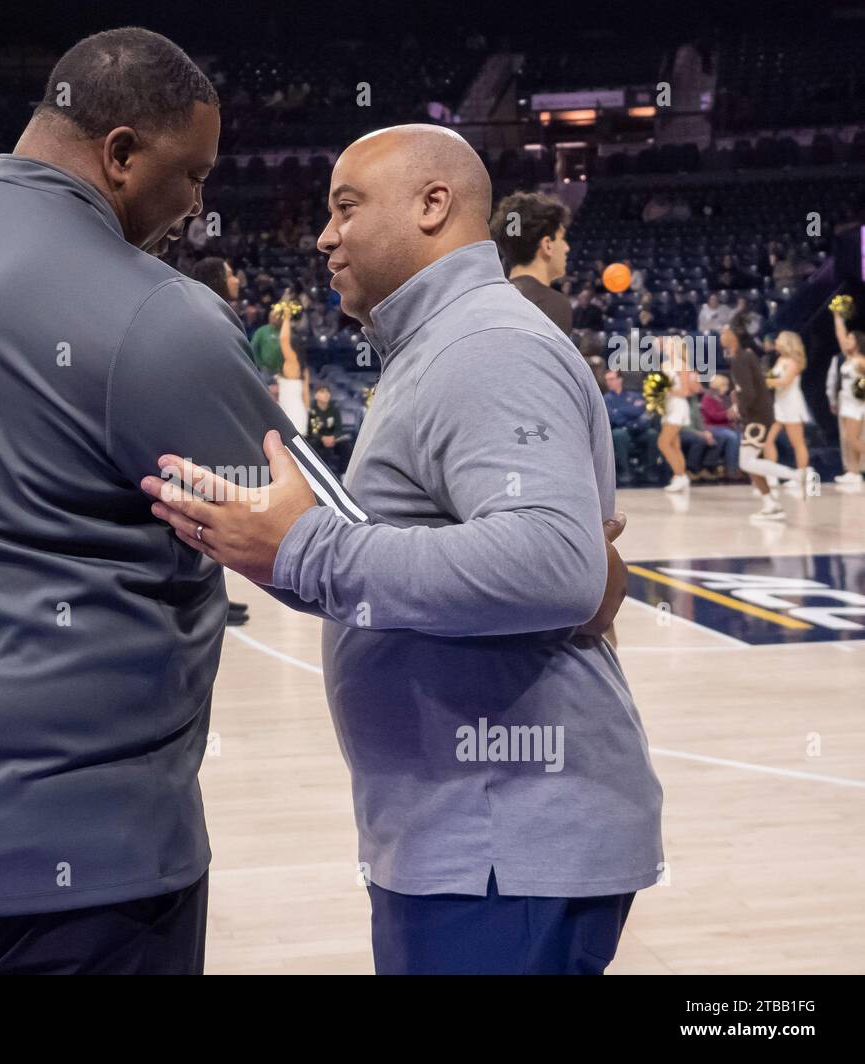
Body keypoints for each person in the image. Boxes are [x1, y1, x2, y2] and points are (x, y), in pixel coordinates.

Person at [0, 28, 359, 976]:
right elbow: (336, 543)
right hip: (69, 861)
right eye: (192, 175)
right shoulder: (154, 311)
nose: (197, 206)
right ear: (121, 153)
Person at [144, 124, 659, 975]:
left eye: (346, 208)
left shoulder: (484, 346)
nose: (324, 235)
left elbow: (555, 565)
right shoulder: (440, 345)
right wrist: (279, 540)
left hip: (502, 845)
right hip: (469, 838)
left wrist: (303, 550)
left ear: (433, 206)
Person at [188, 254, 251, 627]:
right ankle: (208, 602)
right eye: (231, 272)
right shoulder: (207, 314)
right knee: (203, 519)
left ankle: (217, 599)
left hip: (208, 426)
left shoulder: (209, 310)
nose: (237, 278)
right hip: (202, 430)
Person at [722, 321, 800, 520]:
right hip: (759, 415)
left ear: (734, 336)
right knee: (750, 462)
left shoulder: (742, 357)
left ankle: (800, 476)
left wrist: (738, 408)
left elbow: (748, 392)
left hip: (756, 417)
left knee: (747, 462)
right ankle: (771, 504)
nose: (721, 335)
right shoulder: (744, 356)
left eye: (725, 332)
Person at [489, 191, 572, 333]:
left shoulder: (489, 300)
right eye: (562, 238)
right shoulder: (556, 304)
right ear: (547, 245)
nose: (567, 247)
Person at [764, 330, 812, 486]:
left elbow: (785, 381)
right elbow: (773, 379)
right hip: (779, 403)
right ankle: (771, 474)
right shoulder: (780, 360)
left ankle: (801, 475)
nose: (776, 341)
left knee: (797, 442)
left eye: (778, 339)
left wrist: (765, 381)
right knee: (767, 439)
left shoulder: (793, 362)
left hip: (791, 403)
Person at [827, 308, 865, 490]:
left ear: (857, 342)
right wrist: (837, 316)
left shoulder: (861, 361)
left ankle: (855, 471)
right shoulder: (849, 357)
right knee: (847, 439)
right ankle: (853, 473)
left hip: (857, 403)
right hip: (845, 401)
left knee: (853, 439)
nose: (847, 340)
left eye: (851, 338)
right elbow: (840, 335)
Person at [603, 369, 655, 486]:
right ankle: (625, 471)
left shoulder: (635, 395)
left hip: (637, 430)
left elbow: (643, 413)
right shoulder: (606, 399)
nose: (609, 383)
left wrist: (621, 411)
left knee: (652, 434)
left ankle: (649, 470)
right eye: (607, 380)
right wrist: (631, 412)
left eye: (611, 379)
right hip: (620, 431)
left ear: (620, 379)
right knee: (619, 434)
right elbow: (613, 418)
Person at [657, 336, 696, 494]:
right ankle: (679, 475)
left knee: (663, 443)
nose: (666, 346)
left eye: (670, 344)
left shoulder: (682, 366)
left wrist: (666, 391)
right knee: (674, 444)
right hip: (668, 406)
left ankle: (680, 476)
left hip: (678, 406)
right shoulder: (664, 364)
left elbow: (686, 391)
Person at [274, 293, 310, 433]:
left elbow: (283, 339)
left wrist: (287, 317)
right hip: (297, 413)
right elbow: (306, 393)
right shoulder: (302, 367)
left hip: (292, 414)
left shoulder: (292, 361)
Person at [699, 373, 742, 481]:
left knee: (740, 435)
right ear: (717, 385)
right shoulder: (708, 397)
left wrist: (735, 414)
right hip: (711, 426)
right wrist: (728, 414)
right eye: (724, 386)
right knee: (730, 436)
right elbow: (713, 416)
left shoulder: (725, 398)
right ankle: (731, 470)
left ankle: (737, 468)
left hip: (725, 426)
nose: (726, 388)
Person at [306, 382, 350, 474]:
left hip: (332, 438)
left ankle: (343, 473)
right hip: (317, 438)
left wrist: (333, 437)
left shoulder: (334, 409)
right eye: (322, 392)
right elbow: (313, 430)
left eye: (327, 392)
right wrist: (323, 438)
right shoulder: (312, 410)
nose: (326, 394)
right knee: (313, 443)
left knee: (346, 445)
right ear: (316, 395)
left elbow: (339, 428)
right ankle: (316, 473)